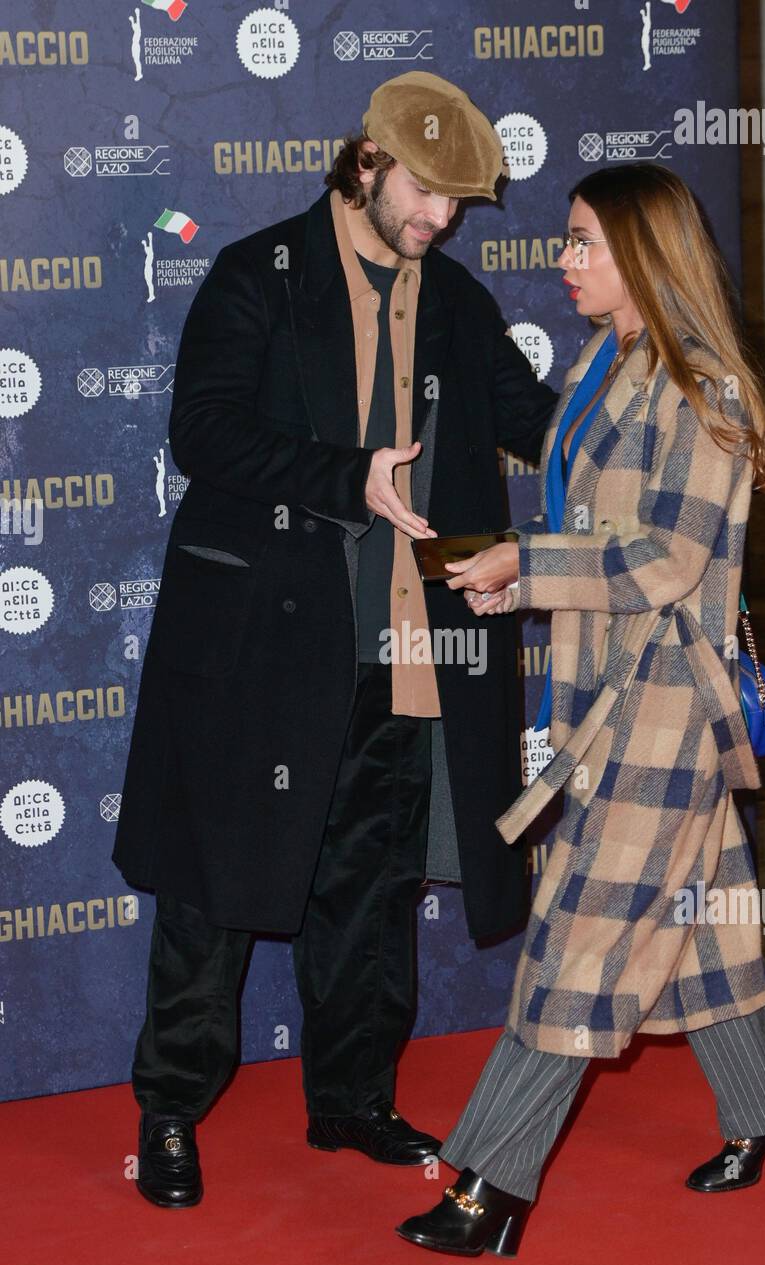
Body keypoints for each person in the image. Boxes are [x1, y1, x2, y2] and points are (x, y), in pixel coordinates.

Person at [111, 71, 557, 1207]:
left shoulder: (452, 299)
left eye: (458, 203)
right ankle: (169, 1109)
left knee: (369, 887)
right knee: (216, 888)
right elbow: (202, 431)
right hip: (261, 642)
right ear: (365, 165)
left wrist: (652, 407)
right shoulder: (257, 273)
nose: (441, 219)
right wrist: (345, 477)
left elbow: (536, 419)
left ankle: (351, 1102)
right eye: (426, 192)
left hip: (404, 647)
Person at [396, 163, 765, 1258]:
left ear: (643, 251)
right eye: (568, 240)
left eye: (584, 240)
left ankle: (488, 1187)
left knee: (573, 947)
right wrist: (506, 560)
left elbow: (667, 557)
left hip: (663, 707)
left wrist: (520, 564)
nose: (565, 259)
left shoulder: (702, 388)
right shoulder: (608, 359)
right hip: (604, 692)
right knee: (709, 930)